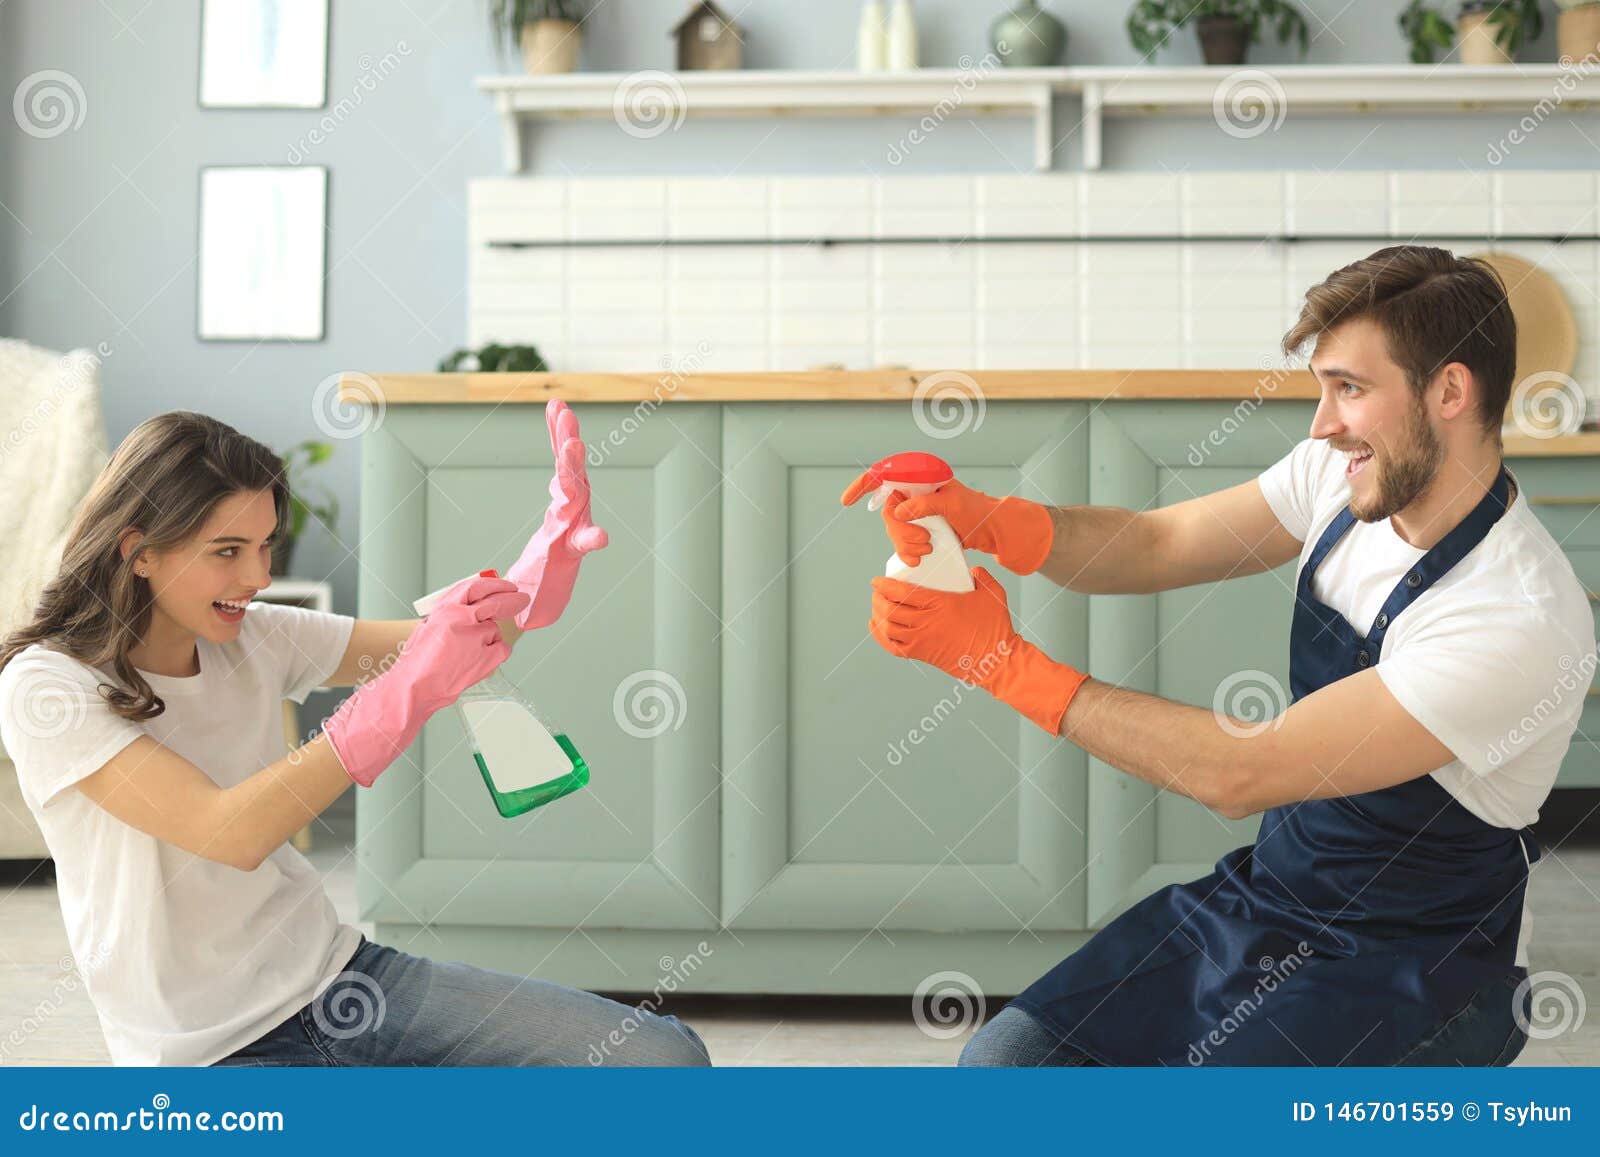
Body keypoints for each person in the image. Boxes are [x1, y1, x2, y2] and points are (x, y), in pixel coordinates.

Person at [848, 245, 1597, 1067]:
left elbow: (1241, 771)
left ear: (1450, 391)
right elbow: (1156, 543)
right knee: (1007, 1063)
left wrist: (998, 661)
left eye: (1350, 388)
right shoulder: (1342, 478)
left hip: (1419, 966)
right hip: (1269, 902)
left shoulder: (1512, 616)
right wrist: (989, 519)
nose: (1322, 424)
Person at [0, 403, 710, 1068]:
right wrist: (394, 701)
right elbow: (228, 831)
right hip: (205, 1051)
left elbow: (441, 643)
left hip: (342, 978)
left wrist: (540, 568)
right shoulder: (46, 686)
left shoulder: (256, 635)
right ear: (140, 551)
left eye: (264, 545)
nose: (258, 576)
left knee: (660, 1058)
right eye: (227, 551)